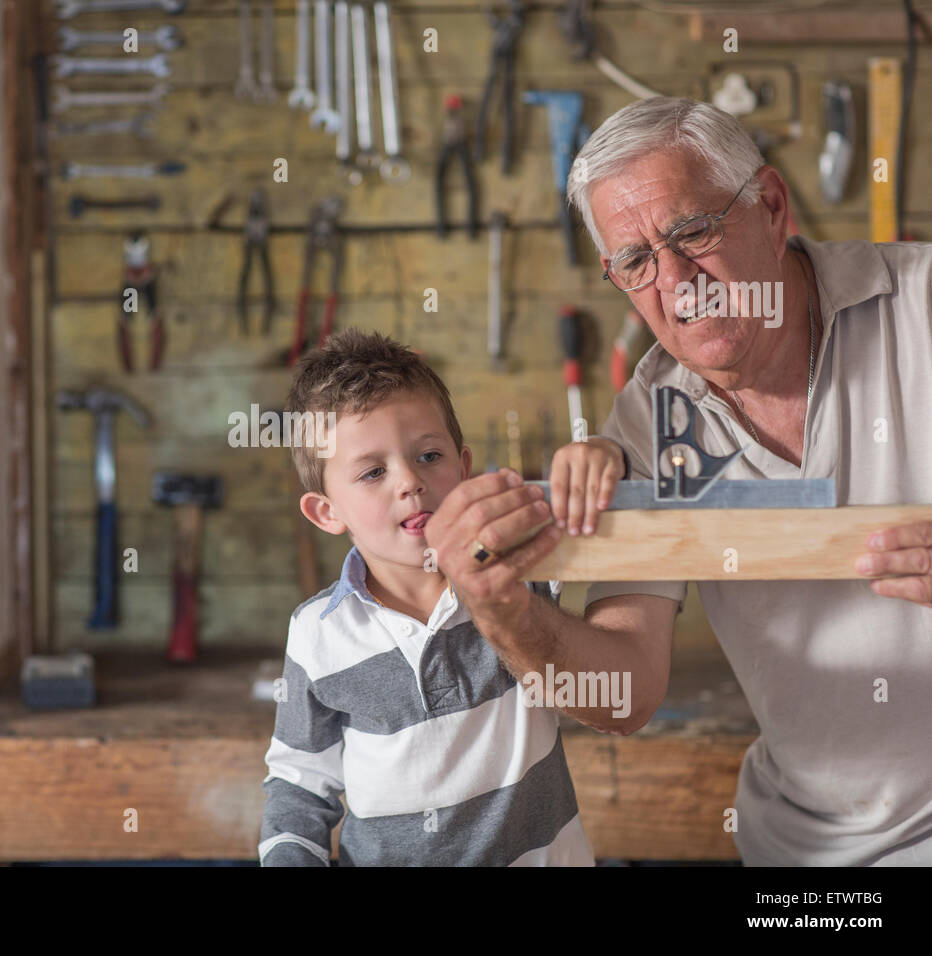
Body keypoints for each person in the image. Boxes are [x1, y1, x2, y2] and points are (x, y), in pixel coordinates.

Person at [426, 96, 932, 865]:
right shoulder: (650, 426)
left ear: (770, 205)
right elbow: (623, 697)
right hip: (814, 851)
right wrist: (501, 613)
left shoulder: (921, 306)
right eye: (635, 261)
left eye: (691, 231)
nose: (676, 280)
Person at [258, 329, 594, 866]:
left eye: (428, 455)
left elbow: (600, 521)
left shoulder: (526, 573)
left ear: (463, 468)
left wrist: (601, 456)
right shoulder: (318, 633)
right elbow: (299, 785)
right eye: (373, 472)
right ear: (327, 512)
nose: (410, 482)